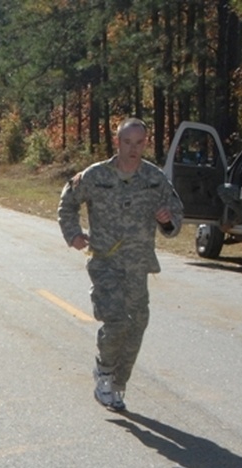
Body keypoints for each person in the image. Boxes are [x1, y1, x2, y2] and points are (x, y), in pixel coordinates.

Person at [57, 117, 184, 411]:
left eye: (139, 143)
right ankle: (103, 370)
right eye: (127, 142)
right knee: (116, 322)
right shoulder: (95, 175)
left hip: (138, 265)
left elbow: (176, 214)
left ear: (146, 143)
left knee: (137, 324)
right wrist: (73, 233)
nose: (133, 149)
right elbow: (68, 201)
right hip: (106, 263)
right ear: (117, 142)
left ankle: (118, 383)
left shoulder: (154, 179)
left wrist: (167, 221)